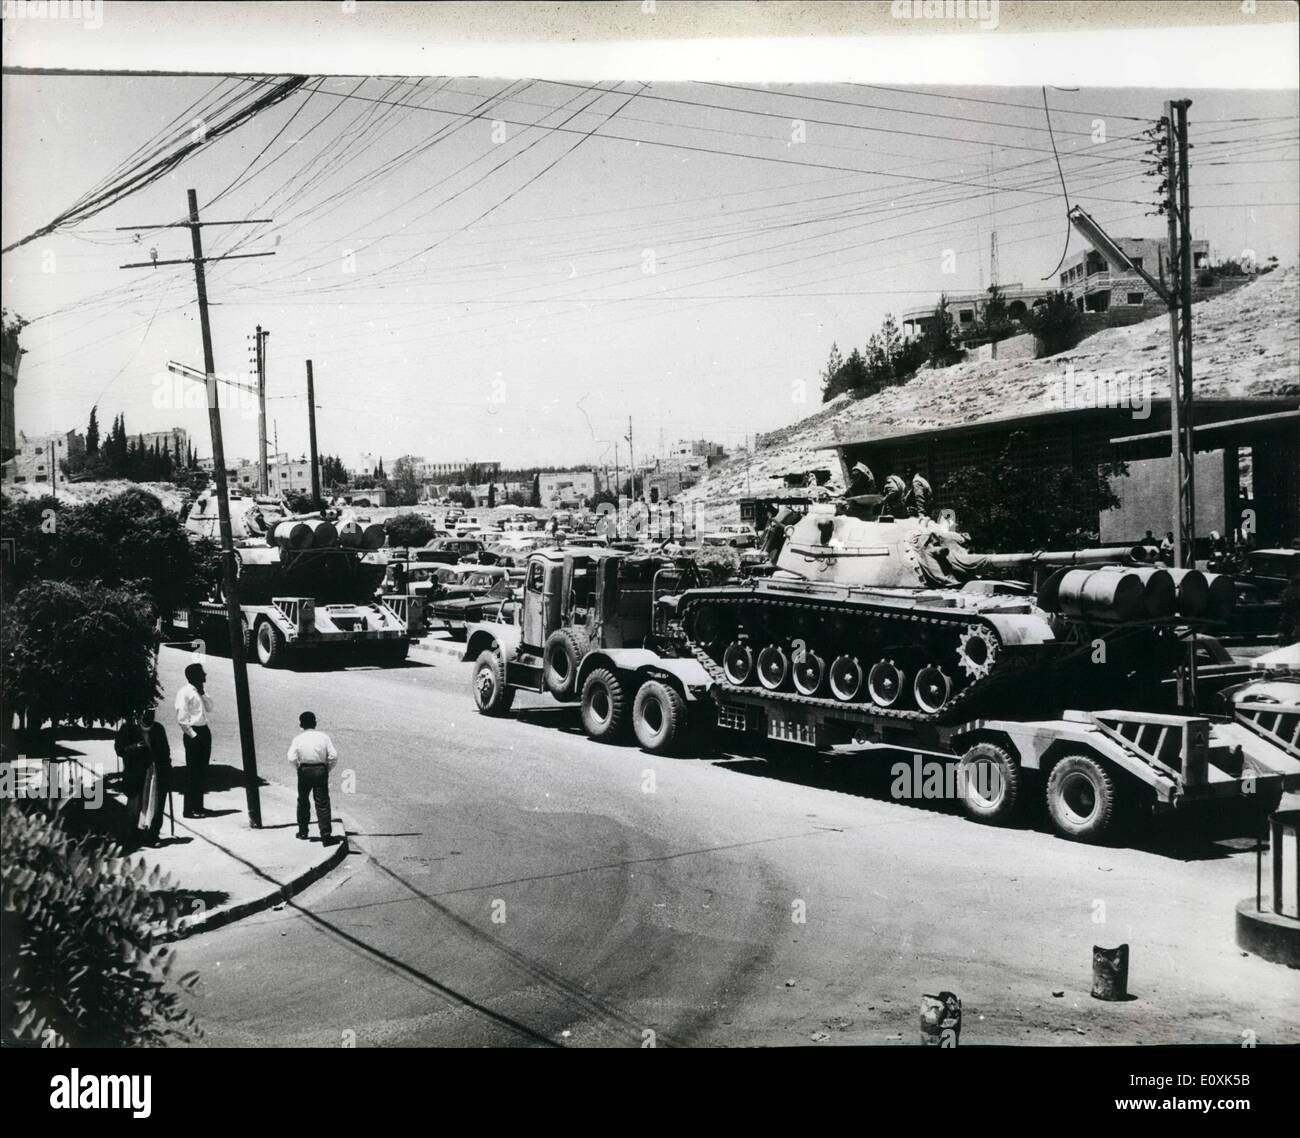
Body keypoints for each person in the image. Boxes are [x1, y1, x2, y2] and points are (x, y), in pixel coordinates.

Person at [288, 711, 339, 843]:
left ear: (301, 725)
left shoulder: (298, 739)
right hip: (320, 770)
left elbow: (291, 757)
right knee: (322, 803)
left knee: (303, 801)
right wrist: (327, 768)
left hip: (304, 770)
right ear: (315, 723)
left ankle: (303, 831)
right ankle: (326, 835)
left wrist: (298, 768)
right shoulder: (323, 737)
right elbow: (333, 756)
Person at [175, 662, 213, 818]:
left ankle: (199, 806)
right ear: (195, 676)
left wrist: (203, 694)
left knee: (202, 771)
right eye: (202, 673)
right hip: (193, 734)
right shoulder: (184, 692)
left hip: (204, 731)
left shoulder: (199, 691)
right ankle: (188, 809)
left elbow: (210, 707)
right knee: (193, 772)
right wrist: (193, 736)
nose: (205, 675)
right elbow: (181, 718)